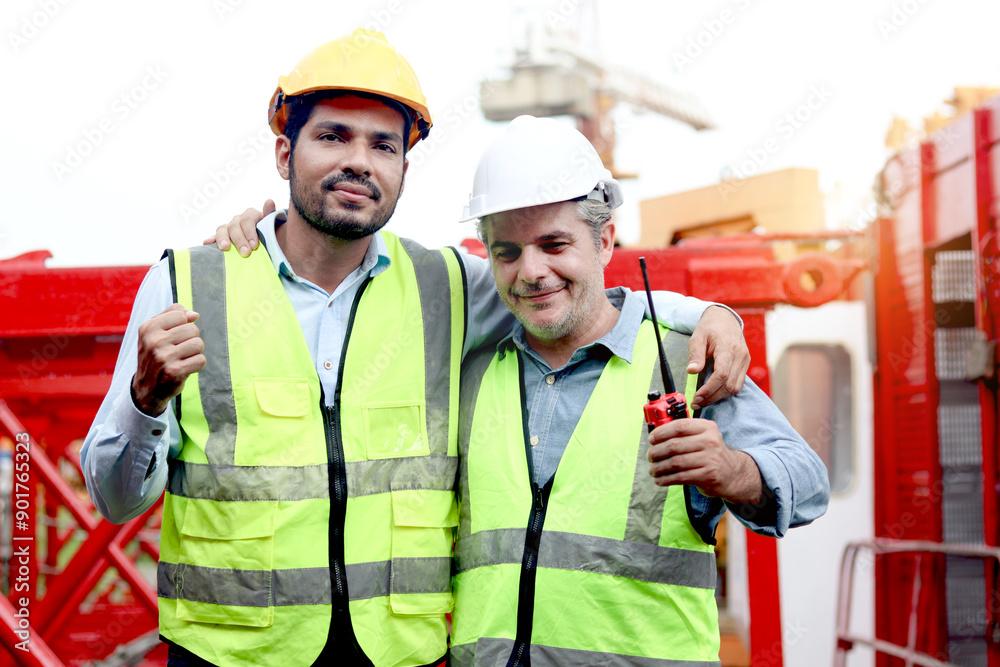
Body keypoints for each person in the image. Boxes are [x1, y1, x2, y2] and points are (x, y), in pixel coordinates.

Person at [82, 31, 749, 667]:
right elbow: (114, 499)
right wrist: (145, 400)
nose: (359, 161)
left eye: (383, 145)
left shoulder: (451, 286)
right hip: (228, 656)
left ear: (404, 167)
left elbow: (572, 292)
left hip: (400, 655)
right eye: (332, 136)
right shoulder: (189, 285)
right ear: (285, 154)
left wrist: (712, 314)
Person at [448, 115, 830, 666]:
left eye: (555, 244)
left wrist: (732, 469)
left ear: (604, 240)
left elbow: (810, 485)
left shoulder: (687, 359)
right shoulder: (474, 366)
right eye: (507, 252)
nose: (531, 271)